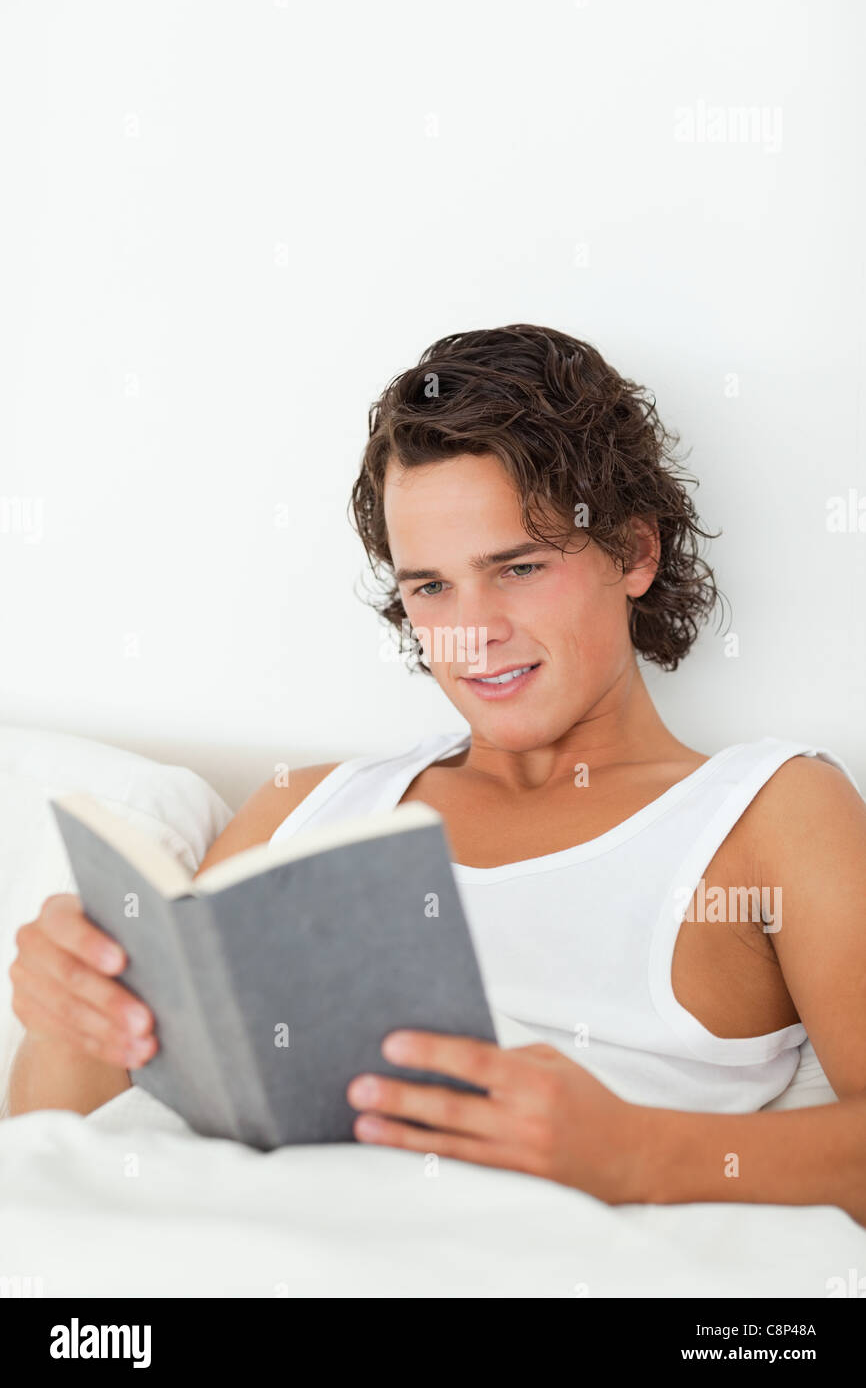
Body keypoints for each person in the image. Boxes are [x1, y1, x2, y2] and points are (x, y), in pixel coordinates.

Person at [8, 324, 866, 1224]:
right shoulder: (300, 809)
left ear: (636, 553)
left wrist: (636, 1152)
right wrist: (70, 1008)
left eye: (519, 567)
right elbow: (53, 1156)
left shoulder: (769, 815)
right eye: (430, 587)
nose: (472, 630)